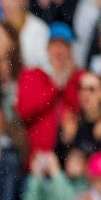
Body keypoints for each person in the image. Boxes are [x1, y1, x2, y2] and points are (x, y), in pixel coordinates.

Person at [17, 23, 84, 159]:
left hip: (70, 157)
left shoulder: (79, 77)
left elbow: (81, 109)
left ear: (71, 50)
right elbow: (24, 111)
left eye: (64, 45)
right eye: (55, 45)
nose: (59, 51)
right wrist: (54, 87)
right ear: (47, 47)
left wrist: (68, 81)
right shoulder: (32, 75)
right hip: (36, 156)